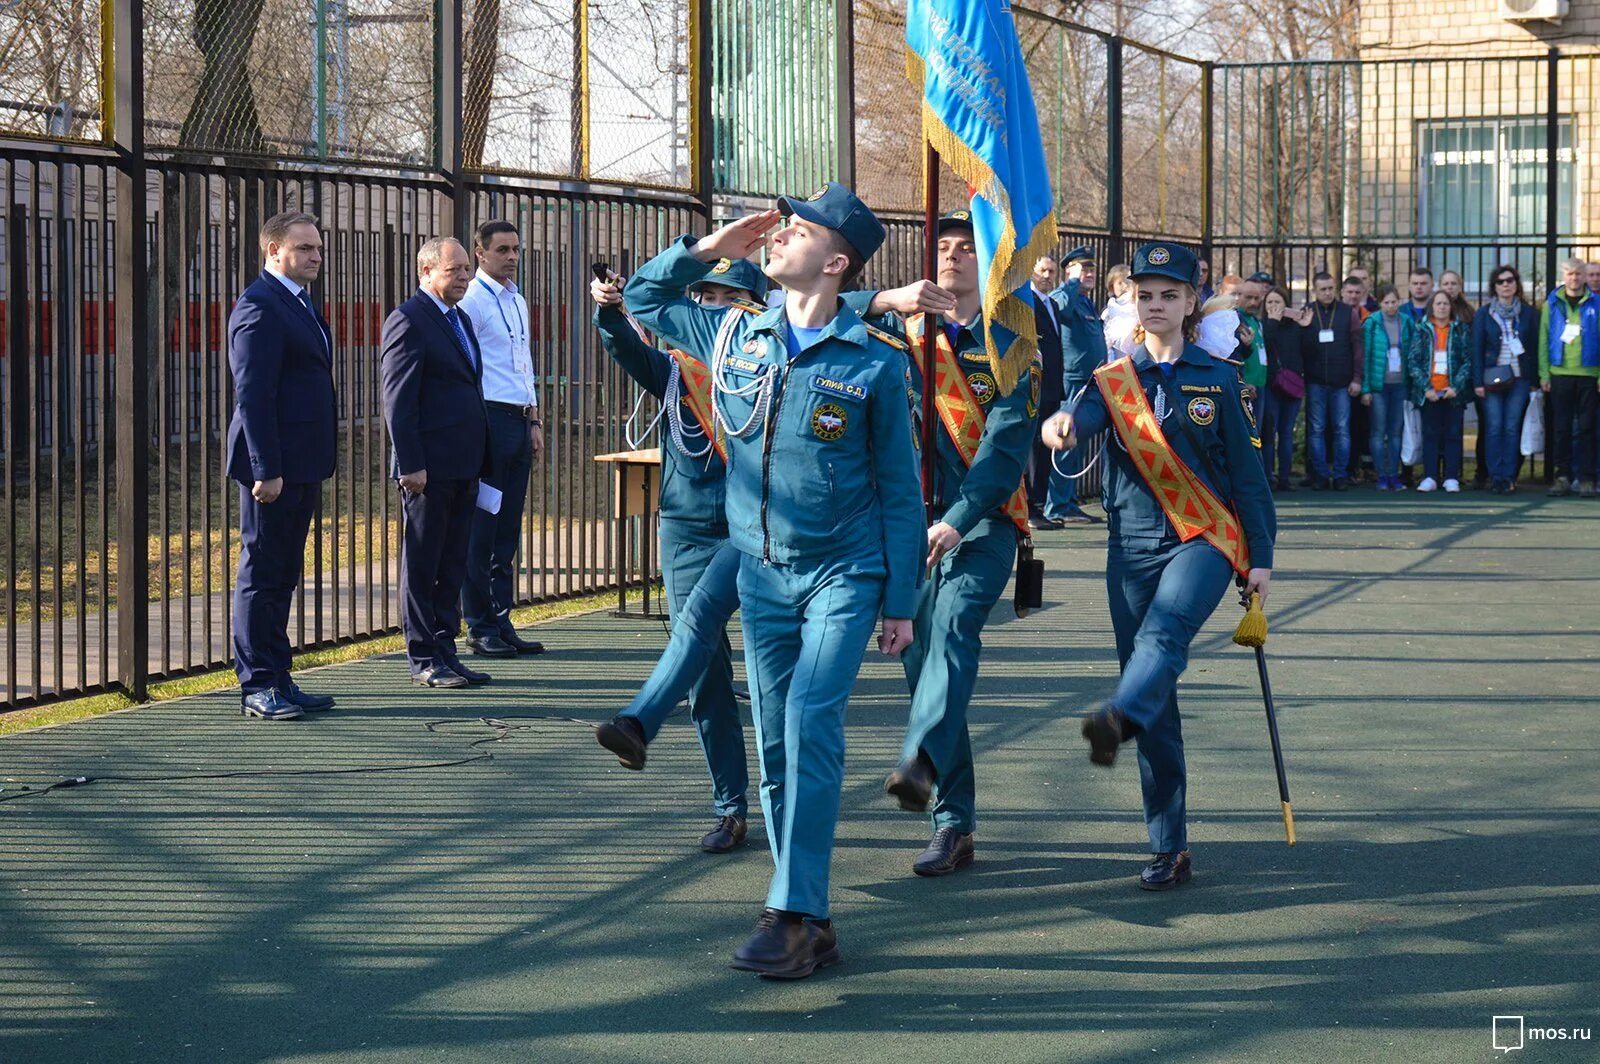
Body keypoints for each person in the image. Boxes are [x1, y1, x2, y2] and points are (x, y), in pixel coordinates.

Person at [624, 183, 924, 980]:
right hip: (761, 574)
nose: (778, 234)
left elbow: (900, 489)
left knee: (809, 721)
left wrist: (902, 602)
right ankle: (813, 919)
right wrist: (709, 249)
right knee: (778, 747)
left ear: (835, 261)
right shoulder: (732, 333)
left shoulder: (874, 364)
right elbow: (643, 299)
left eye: (797, 229)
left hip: (844, 573)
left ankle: (787, 909)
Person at [1040, 242, 1275, 892]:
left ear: (1192, 301)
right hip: (1132, 547)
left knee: (1163, 636)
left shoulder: (1220, 379)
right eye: (1147, 294)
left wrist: (1261, 558)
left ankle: (1114, 716)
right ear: (1133, 303)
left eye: (1170, 293)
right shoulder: (1115, 381)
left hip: (1203, 540)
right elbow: (1077, 416)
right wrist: (1060, 423)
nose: (1158, 303)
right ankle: (1168, 844)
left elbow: (1250, 481)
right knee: (1156, 696)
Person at [868, 212, 1035, 878]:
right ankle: (956, 821)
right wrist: (886, 299)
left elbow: (1002, 452)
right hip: (907, 523)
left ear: (987, 262)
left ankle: (927, 775)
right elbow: (825, 310)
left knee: (956, 630)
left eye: (967, 249)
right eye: (942, 249)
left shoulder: (1011, 344)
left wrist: (958, 519)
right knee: (921, 663)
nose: (954, 258)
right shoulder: (900, 334)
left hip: (984, 522)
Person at [589, 257, 771, 854]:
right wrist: (611, 311)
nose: (712, 304)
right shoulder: (675, 369)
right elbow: (623, 347)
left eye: (727, 295)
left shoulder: (772, 366)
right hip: (690, 529)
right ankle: (729, 806)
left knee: (775, 674)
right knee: (704, 671)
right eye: (705, 294)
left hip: (755, 528)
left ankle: (786, 802)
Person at [226, 211, 339, 721]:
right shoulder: (260, 306)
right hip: (273, 469)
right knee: (262, 574)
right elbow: (253, 394)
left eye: (318, 248)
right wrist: (264, 468)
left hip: (302, 463)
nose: (316, 256)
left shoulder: (299, 303)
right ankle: (257, 685)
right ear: (273, 250)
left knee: (282, 574)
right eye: (305, 249)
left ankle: (280, 676)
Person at [381, 237, 492, 688]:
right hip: (427, 469)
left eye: (467, 268)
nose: (464, 277)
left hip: (464, 464)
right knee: (423, 565)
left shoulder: (460, 318)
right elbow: (398, 400)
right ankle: (424, 657)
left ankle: (446, 650)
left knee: (452, 564)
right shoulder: (409, 319)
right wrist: (411, 464)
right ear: (426, 272)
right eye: (454, 270)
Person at [456, 221, 546, 658]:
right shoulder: (471, 302)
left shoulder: (518, 301)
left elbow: (522, 363)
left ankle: (501, 618)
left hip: (517, 420)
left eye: (515, 249)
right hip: (487, 420)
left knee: (507, 527)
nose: (511, 256)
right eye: (502, 250)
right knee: (482, 526)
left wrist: (534, 418)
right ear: (480, 254)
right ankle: (478, 625)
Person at [1045, 246, 1108, 525]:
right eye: (1084, 268)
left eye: (1092, 269)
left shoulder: (1085, 301)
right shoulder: (1066, 294)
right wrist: (1072, 282)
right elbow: (1057, 309)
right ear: (1069, 270)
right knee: (1065, 441)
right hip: (1072, 381)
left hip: (1088, 380)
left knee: (1076, 444)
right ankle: (1056, 506)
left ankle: (1067, 502)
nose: (1090, 273)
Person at [1471, 265, 1539, 494]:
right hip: (1491, 379)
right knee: (1493, 427)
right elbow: (1476, 348)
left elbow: (1535, 347)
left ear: (1517, 284)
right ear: (1494, 287)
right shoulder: (1484, 313)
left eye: (1510, 280)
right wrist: (1477, 382)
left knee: (1512, 427)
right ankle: (1495, 475)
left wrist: (1534, 379)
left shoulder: (1528, 313)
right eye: (1500, 282)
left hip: (1519, 378)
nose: (1506, 285)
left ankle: (1509, 476)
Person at [1295, 270, 1364, 490]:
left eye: (1330, 288)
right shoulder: (1307, 312)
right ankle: (1321, 475)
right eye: (1323, 289)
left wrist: (1357, 378)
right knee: (1316, 429)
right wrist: (1304, 329)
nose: (1327, 292)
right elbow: (1300, 348)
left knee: (1342, 428)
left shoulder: (1347, 312)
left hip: (1342, 381)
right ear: (1315, 290)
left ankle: (1341, 475)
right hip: (1315, 380)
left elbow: (1357, 348)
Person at [1539, 257, 1600, 497]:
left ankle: (1586, 478)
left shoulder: (1596, 303)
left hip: (1588, 374)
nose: (1574, 278)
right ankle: (1562, 477)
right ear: (1563, 276)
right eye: (1570, 274)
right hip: (1559, 374)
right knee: (1561, 428)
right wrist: (1544, 373)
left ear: (1585, 276)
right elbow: (1543, 339)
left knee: (1587, 428)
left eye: (1578, 274)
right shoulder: (1552, 303)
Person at [1409, 289, 1472, 493]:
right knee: (1430, 435)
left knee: (1453, 435)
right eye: (1438, 304)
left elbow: (1467, 361)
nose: (1442, 307)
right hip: (1430, 392)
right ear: (1432, 307)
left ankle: (1451, 476)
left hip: (1452, 392)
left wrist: (1456, 386)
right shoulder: (1422, 329)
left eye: (1445, 304)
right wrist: (1425, 388)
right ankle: (1430, 476)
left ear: (1450, 307)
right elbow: (1413, 361)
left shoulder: (1460, 329)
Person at [1361, 284, 1419, 491]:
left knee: (1396, 431)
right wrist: (1365, 388)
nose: (1391, 306)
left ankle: (1394, 474)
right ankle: (1381, 475)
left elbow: (1413, 352)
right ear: (1379, 303)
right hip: (1379, 385)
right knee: (1378, 432)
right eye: (1386, 302)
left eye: (1394, 302)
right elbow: (1365, 356)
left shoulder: (1407, 323)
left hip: (1400, 385)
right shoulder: (1372, 323)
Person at [1029, 255, 1068, 530]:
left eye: (1052, 271)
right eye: (1042, 269)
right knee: (1032, 447)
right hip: (1035, 385)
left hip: (1053, 385)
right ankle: (1029, 506)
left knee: (1046, 448)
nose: (1047, 275)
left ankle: (1039, 505)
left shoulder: (1051, 303)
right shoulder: (1025, 301)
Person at [1260, 286, 1303, 492]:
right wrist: (1272, 323)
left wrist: (1307, 326)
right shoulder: (1263, 325)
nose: (1274, 306)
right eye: (1270, 302)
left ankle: (1284, 477)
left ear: (1286, 304)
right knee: (1269, 432)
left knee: (1286, 433)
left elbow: (1309, 350)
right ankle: (1268, 476)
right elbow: (1265, 344)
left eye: (1278, 302)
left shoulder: (1295, 326)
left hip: (1292, 386)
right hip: (1270, 386)